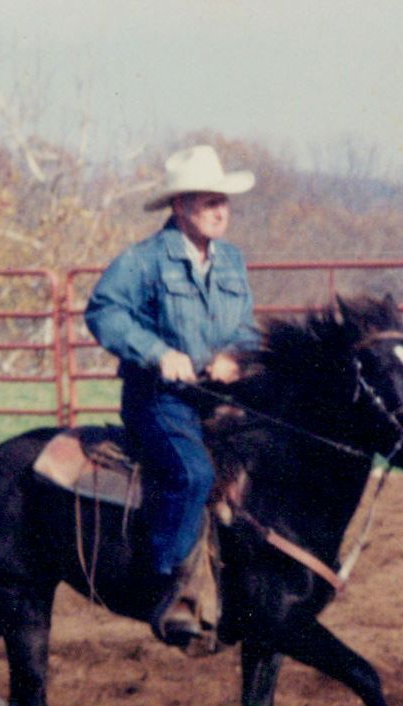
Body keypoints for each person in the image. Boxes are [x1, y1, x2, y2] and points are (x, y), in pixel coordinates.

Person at [84, 144, 259, 645]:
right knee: (193, 472)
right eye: (208, 202)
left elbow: (245, 327)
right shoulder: (142, 261)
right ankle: (165, 585)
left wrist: (235, 355)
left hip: (216, 399)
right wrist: (157, 352)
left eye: (223, 201)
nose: (220, 211)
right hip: (158, 399)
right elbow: (105, 312)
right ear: (179, 207)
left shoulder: (231, 262)